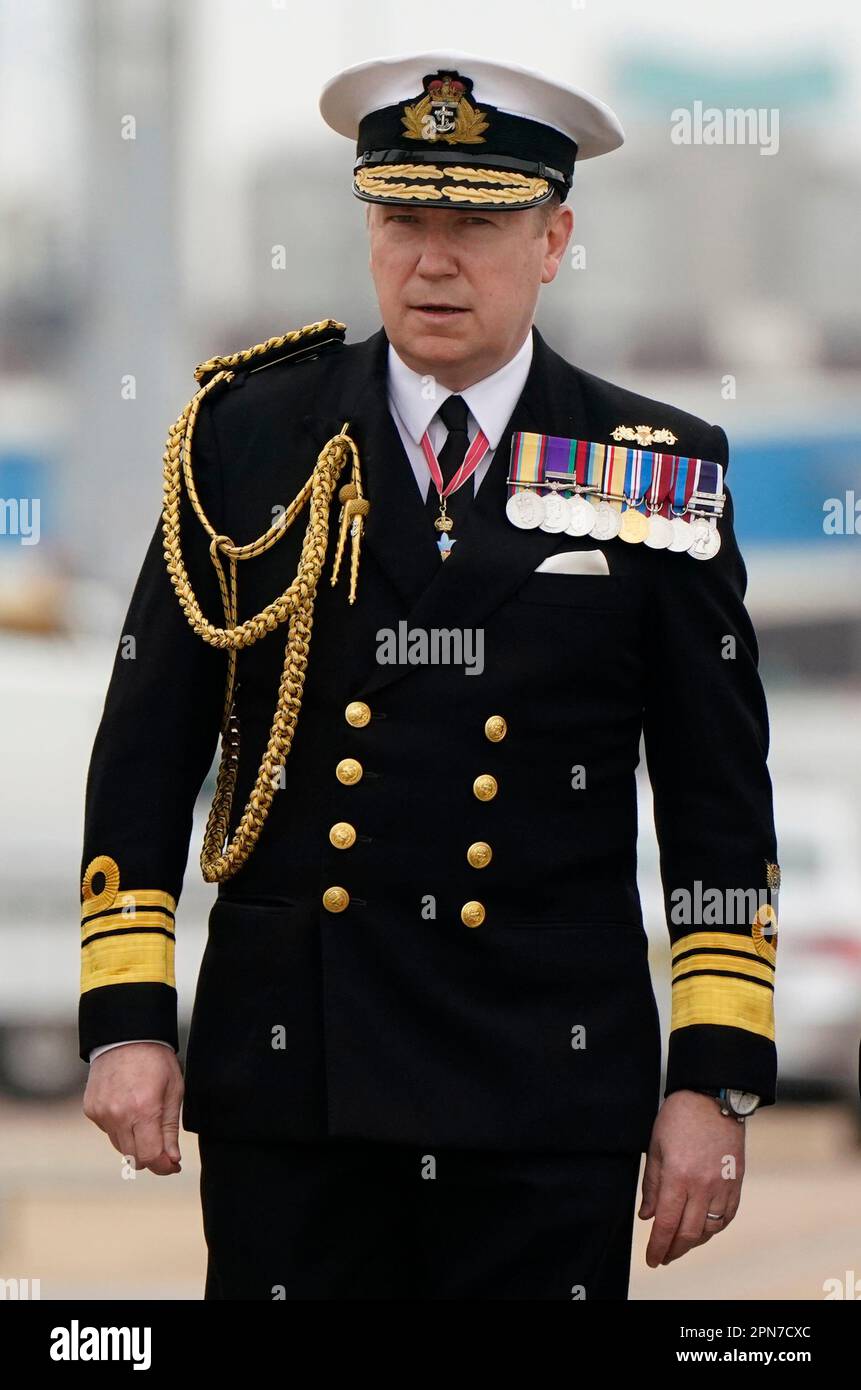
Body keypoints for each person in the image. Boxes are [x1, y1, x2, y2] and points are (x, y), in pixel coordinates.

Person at [80, 51, 780, 1300]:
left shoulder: (653, 471)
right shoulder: (248, 439)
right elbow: (146, 745)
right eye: (404, 216)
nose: (433, 259)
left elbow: (718, 807)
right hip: (301, 1084)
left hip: (543, 1090)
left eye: (477, 222)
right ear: (367, 231)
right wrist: (130, 1017)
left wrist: (713, 1076)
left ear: (555, 237)